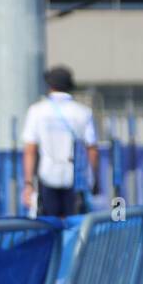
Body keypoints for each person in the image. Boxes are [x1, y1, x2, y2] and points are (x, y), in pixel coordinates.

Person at [21, 65, 99, 217]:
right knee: (75, 227)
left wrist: (28, 184)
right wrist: (95, 179)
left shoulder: (36, 111)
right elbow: (92, 149)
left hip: (47, 175)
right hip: (75, 179)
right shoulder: (83, 112)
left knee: (49, 226)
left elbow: (30, 150)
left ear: (50, 86)